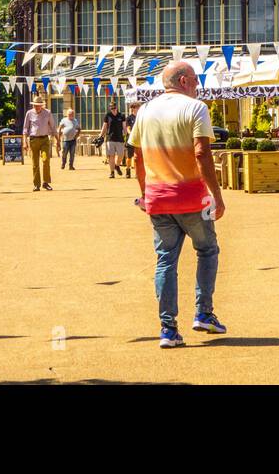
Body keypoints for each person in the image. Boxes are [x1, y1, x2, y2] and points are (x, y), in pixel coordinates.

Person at [129, 61, 227, 348]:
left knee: (165, 261)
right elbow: (202, 153)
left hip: (158, 198)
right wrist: (217, 195)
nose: (198, 85)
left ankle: (168, 329)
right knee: (207, 250)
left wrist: (146, 194)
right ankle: (204, 313)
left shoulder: (145, 110)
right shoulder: (196, 108)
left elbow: (137, 158)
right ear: (183, 81)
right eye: (195, 80)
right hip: (191, 196)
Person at [23, 95, 56, 191]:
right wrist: (25, 142)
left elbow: (53, 127)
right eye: (35, 105)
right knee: (35, 163)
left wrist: (57, 140)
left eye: (38, 105)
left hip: (45, 140)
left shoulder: (47, 113)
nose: (36, 107)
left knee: (45, 160)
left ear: (42, 105)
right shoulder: (29, 113)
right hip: (33, 140)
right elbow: (25, 129)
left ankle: (45, 182)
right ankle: (36, 184)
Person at [103, 100, 127, 178]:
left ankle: (117, 166)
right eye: (111, 108)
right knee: (111, 156)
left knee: (121, 155)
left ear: (117, 107)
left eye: (114, 107)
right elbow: (104, 127)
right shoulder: (108, 115)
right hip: (110, 138)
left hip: (120, 138)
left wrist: (127, 135)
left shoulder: (121, 115)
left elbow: (124, 127)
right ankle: (112, 172)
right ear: (110, 108)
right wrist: (101, 135)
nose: (113, 109)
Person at [122, 102, 139, 179]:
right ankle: (128, 169)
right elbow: (128, 128)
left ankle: (136, 172)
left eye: (138, 107)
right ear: (133, 109)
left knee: (137, 157)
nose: (137, 109)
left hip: (139, 140)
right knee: (129, 157)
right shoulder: (129, 118)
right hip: (131, 139)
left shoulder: (140, 117)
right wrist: (132, 134)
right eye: (136, 107)